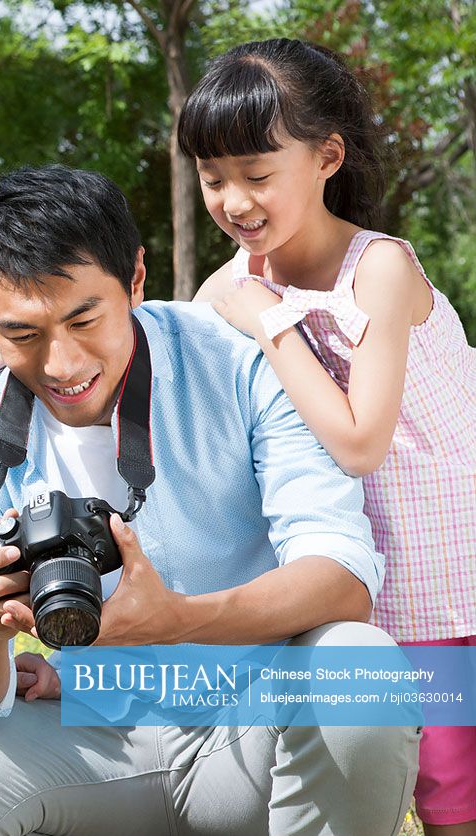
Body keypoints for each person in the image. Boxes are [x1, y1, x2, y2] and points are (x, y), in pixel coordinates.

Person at [0, 164, 421, 836]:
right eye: (21, 335)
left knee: (356, 669)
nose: (62, 364)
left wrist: (174, 618)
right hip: (88, 728)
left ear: (134, 277)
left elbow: (341, 579)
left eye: (83, 318)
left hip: (252, 721)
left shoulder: (240, 363)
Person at [178, 39, 475, 835]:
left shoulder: (376, 268)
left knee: (449, 782)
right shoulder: (232, 283)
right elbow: (152, 351)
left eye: (255, 174)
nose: (232, 201)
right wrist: (33, 346)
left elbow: (357, 444)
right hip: (344, 562)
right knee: (355, 751)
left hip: (443, 564)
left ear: (325, 158)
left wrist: (268, 321)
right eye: (212, 179)